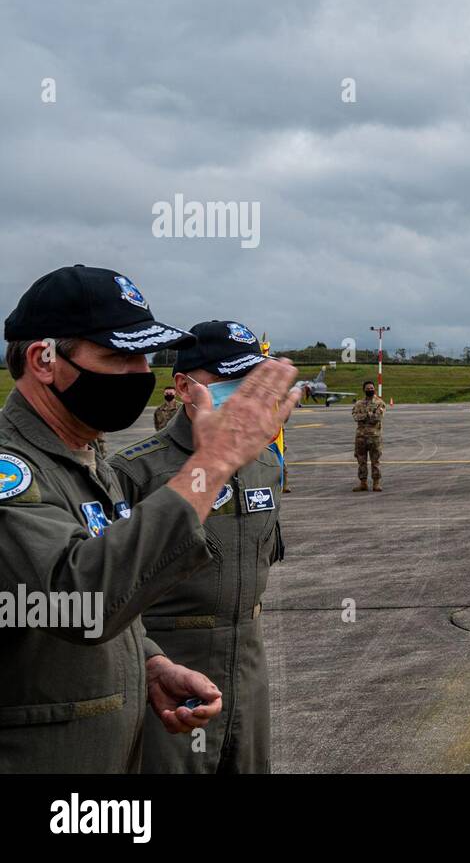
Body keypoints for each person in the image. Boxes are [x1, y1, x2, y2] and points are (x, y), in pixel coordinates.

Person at [0, 265, 299, 772]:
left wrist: (150, 663)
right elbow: (78, 601)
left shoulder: (85, 463)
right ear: (43, 360)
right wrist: (212, 464)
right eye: (119, 355)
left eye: (144, 355)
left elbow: (117, 588)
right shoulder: (13, 473)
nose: (141, 373)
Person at [111, 320, 285, 773]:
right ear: (185, 388)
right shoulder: (137, 473)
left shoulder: (265, 464)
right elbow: (107, 589)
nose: (245, 393)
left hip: (248, 664)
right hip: (170, 671)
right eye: (230, 381)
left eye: (253, 380)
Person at [351, 380, 384, 492]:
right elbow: (355, 417)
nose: (370, 390)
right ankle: (363, 483)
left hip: (374, 437)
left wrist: (364, 416)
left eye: (371, 388)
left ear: (374, 389)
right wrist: (369, 415)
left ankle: (376, 483)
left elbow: (377, 418)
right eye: (368, 388)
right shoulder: (358, 403)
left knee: (375, 461)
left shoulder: (379, 402)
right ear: (364, 390)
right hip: (361, 437)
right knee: (361, 461)